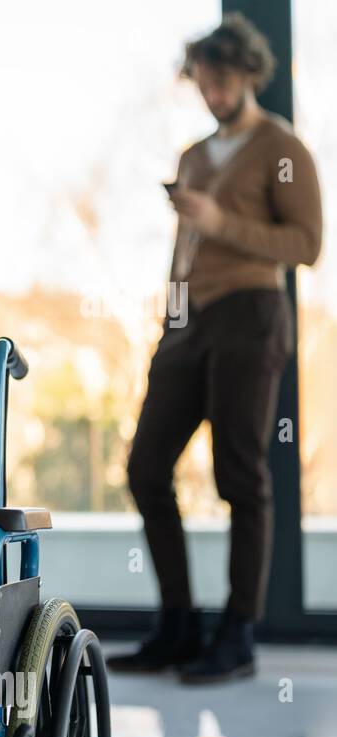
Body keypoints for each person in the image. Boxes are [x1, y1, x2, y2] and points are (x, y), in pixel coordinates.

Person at [114, 15, 322, 683]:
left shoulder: (281, 149)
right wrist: (169, 320)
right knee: (146, 465)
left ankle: (239, 632)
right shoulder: (195, 156)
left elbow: (307, 245)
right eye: (203, 83)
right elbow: (183, 250)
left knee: (240, 473)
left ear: (250, 74)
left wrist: (221, 220)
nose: (212, 93)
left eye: (222, 80)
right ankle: (179, 622)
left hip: (252, 313)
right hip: (188, 322)